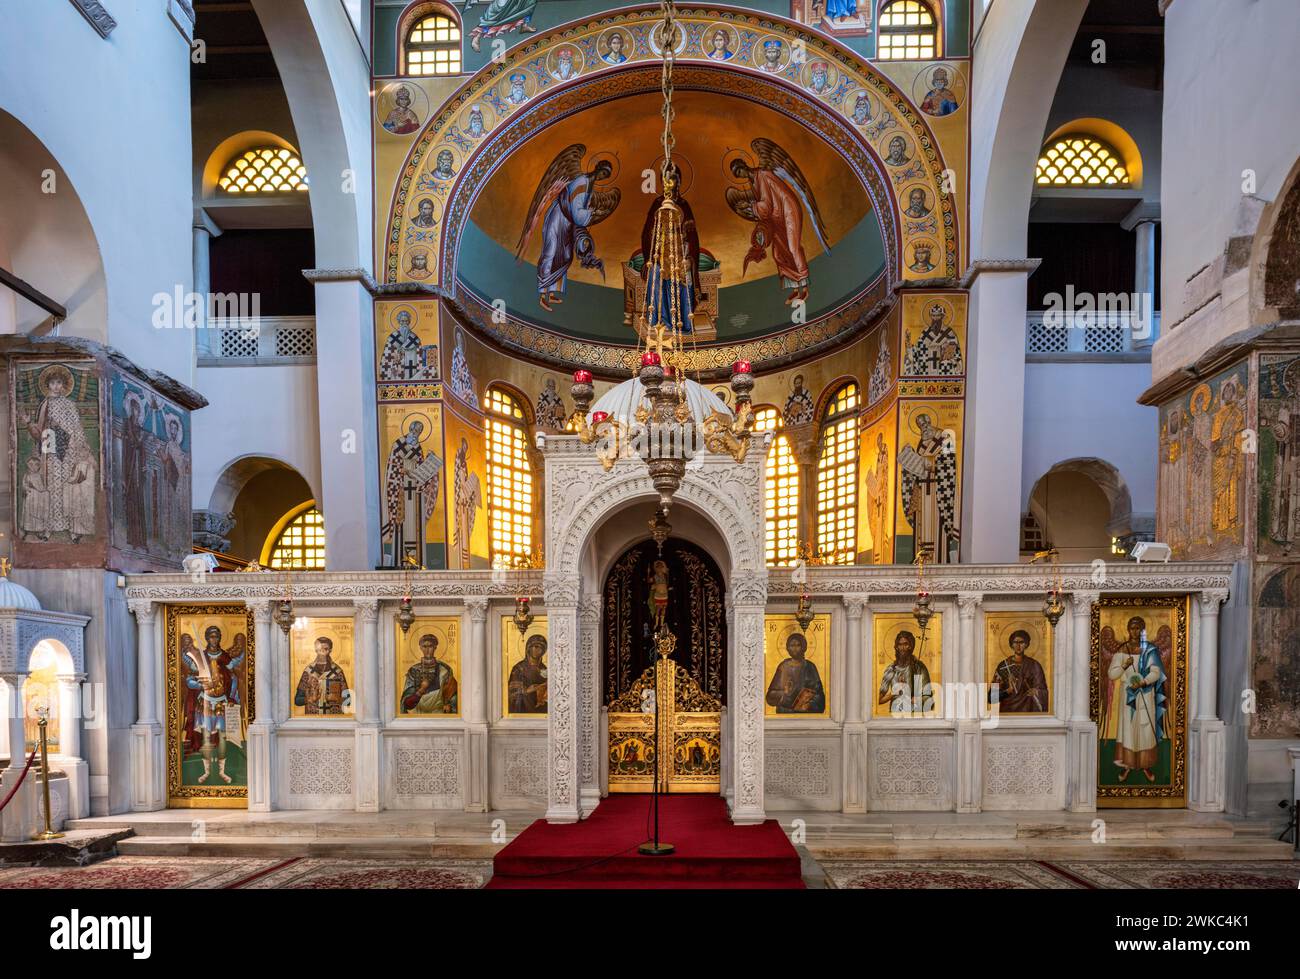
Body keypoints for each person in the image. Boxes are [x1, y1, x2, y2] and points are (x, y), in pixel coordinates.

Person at [1105, 616, 1167, 782]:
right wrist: (1125, 665)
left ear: (1142, 630)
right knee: (1129, 729)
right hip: (1128, 696)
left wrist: (1143, 682)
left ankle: (1145, 765)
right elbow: (1112, 674)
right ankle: (1128, 765)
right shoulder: (1121, 650)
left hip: (1145, 694)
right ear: (1127, 629)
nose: (1134, 631)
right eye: (1132, 628)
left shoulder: (1150, 650)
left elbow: (1157, 672)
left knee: (1145, 729)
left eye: (1138, 627)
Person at [989, 630, 1049, 713]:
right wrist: (1009, 690)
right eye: (1015, 642)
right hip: (1007, 712)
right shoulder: (1003, 666)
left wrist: (1036, 691)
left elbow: (1044, 692)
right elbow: (992, 698)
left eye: (1021, 642)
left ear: (1026, 644)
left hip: (1028, 710)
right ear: (1011, 645)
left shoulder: (1034, 665)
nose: (1018, 645)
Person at [766, 632, 826, 713]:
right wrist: (784, 693)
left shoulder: (810, 667)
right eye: (792, 645)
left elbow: (819, 696)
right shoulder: (783, 666)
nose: (794, 648)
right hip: (785, 713)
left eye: (798, 645)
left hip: (804, 714)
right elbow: (770, 696)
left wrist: (809, 704)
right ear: (787, 648)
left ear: (803, 647)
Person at [878, 629, 933, 715]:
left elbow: (929, 699)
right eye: (900, 644)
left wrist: (917, 700)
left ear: (911, 646)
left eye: (906, 644)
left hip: (914, 715)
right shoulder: (891, 669)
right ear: (896, 647)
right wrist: (894, 692)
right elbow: (878, 700)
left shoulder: (919, 668)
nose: (902, 648)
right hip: (895, 716)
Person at [401, 633, 458, 713]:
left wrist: (449, 704)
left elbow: (453, 693)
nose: (427, 650)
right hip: (417, 712)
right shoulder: (413, 670)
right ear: (420, 648)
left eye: (430, 646)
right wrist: (421, 690)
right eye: (424, 646)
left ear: (435, 647)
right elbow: (406, 703)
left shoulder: (445, 670)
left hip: (438, 711)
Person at [294, 636, 351, 715]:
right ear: (315, 650)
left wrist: (337, 698)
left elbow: (348, 701)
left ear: (330, 650)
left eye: (326, 649)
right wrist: (309, 699)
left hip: (334, 717)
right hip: (312, 717)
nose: (322, 651)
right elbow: (297, 700)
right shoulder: (308, 672)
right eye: (319, 649)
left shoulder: (337, 672)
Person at [507, 635, 548, 713]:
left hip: (541, 708)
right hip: (524, 707)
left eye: (542, 648)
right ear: (529, 648)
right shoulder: (519, 668)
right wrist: (526, 690)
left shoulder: (544, 669)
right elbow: (511, 692)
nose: (539, 650)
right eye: (536, 647)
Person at [20, 456, 49, 541]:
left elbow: (41, 488)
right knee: (28, 515)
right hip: (30, 499)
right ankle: (27, 532)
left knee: (37, 515)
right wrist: (27, 488)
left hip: (38, 499)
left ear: (38, 466)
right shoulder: (27, 475)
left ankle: (38, 532)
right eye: (31, 465)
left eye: (36, 465)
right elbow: (24, 485)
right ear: (28, 466)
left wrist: (41, 491)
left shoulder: (39, 476)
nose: (33, 467)